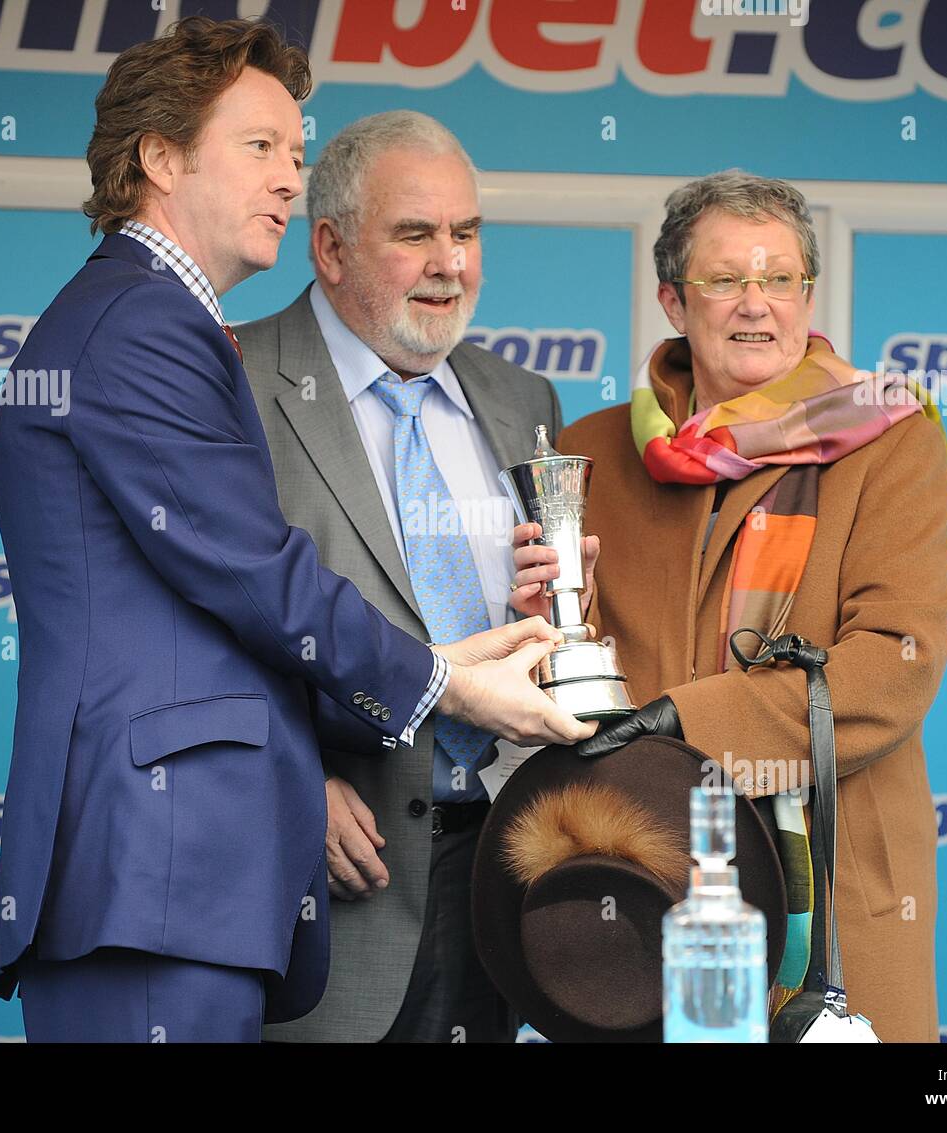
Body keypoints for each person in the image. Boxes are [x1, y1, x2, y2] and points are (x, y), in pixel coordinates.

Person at [0, 17, 592, 1044]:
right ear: (160, 156)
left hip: (191, 876)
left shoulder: (148, 316)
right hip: (156, 868)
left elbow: (224, 607)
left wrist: (463, 653)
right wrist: (443, 681)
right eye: (259, 147)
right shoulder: (139, 321)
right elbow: (255, 574)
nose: (289, 178)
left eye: (296, 154)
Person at [513, 170, 947, 1043]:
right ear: (674, 300)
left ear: (807, 294)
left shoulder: (891, 434)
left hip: (828, 903)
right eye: (725, 280)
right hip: (641, 887)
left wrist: (686, 717)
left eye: (780, 278)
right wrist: (544, 625)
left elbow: (889, 669)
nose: (756, 304)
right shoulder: (589, 451)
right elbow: (568, 686)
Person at [236, 111, 573, 1043]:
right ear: (331, 247)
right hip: (326, 873)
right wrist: (288, 774)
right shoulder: (228, 376)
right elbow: (179, 632)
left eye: (466, 233)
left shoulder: (524, 399)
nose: (451, 263)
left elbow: (550, 626)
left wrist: (550, 613)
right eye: (416, 233)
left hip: (497, 862)